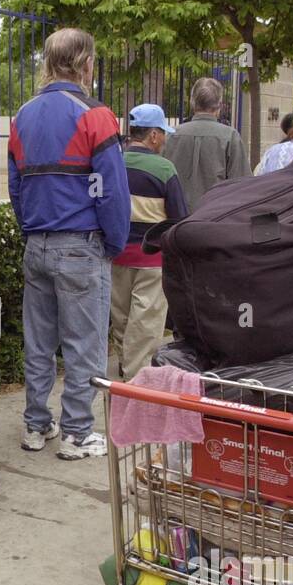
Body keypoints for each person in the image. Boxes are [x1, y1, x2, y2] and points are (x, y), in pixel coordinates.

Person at [8, 27, 130, 460]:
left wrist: (31, 231)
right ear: (86, 64)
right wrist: (114, 242)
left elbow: (16, 185)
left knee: (39, 342)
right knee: (85, 344)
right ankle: (78, 432)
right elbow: (111, 189)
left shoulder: (22, 115)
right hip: (80, 244)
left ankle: (36, 426)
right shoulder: (95, 114)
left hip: (36, 243)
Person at [110, 104, 189, 380]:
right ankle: (135, 384)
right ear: (153, 135)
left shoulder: (113, 162)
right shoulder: (164, 168)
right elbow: (179, 216)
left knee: (120, 321)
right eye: (163, 134)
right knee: (144, 327)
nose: (164, 140)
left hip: (116, 256)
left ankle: (126, 369)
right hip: (151, 260)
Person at [168, 77, 250, 213]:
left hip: (176, 218)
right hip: (214, 217)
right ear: (219, 105)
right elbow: (241, 184)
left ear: (192, 102)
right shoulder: (230, 136)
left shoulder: (172, 134)